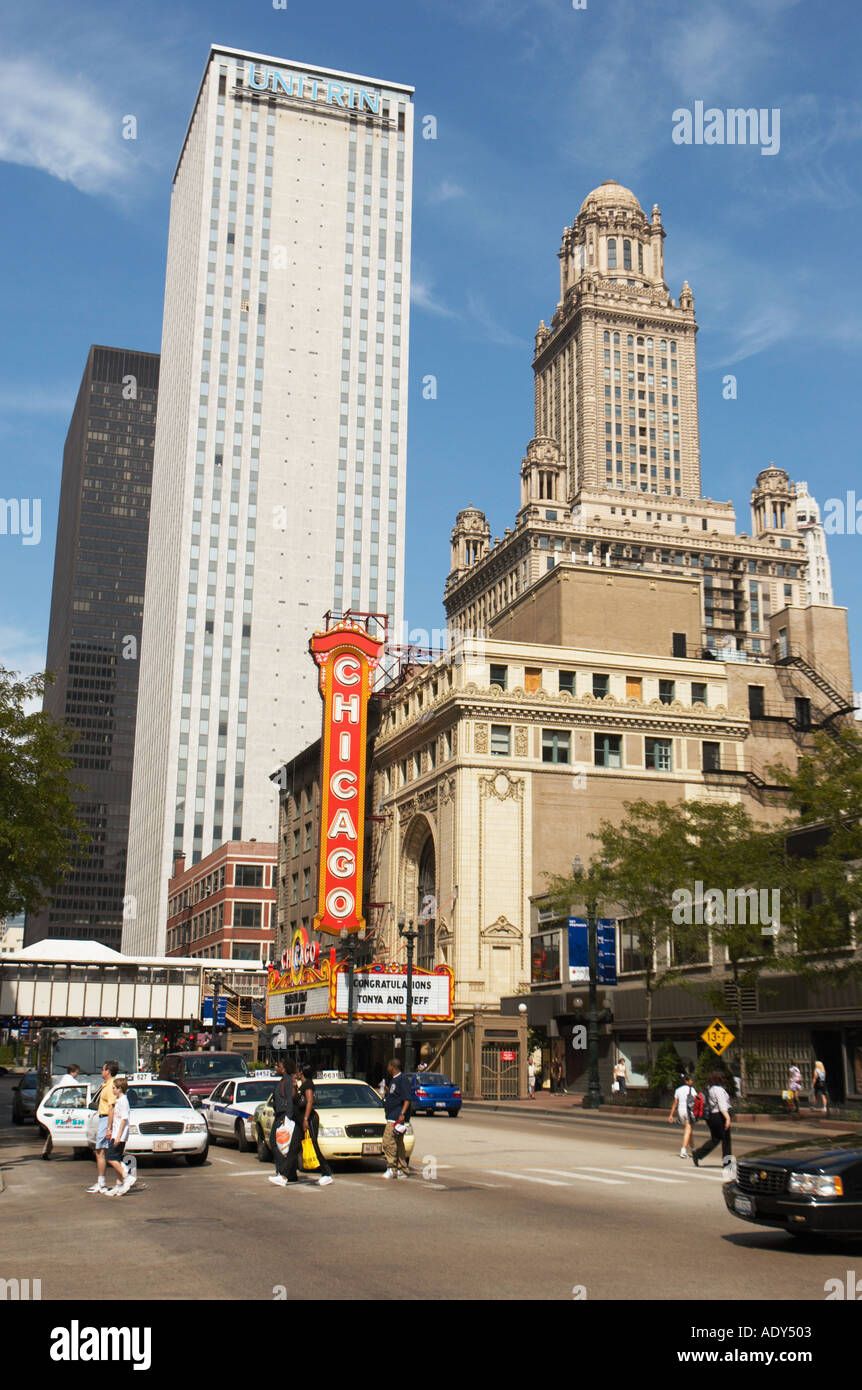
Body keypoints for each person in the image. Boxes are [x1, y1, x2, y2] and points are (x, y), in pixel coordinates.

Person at [297, 1066, 334, 1186]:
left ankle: (326, 1173)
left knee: (313, 1145)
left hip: (310, 1118)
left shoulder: (308, 1085)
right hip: (303, 1118)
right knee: (295, 1144)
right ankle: (285, 1173)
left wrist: (306, 1119)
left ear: (301, 1072)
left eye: (298, 1071)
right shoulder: (303, 1084)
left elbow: (309, 1101)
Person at [87, 1060, 119, 1194]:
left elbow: (112, 1108)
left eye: (103, 1069)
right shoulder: (106, 1085)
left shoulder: (111, 1085)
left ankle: (103, 1182)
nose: (101, 1072)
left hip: (106, 1119)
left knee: (101, 1151)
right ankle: (103, 1181)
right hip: (103, 1119)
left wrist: (109, 1128)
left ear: (108, 1072)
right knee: (100, 1151)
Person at [268, 1059, 302, 1188]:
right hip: (280, 1115)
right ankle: (290, 1173)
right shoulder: (283, 1081)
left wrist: (287, 1117)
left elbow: (289, 1099)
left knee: (274, 1142)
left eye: (279, 1066)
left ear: (284, 1068)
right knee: (285, 1146)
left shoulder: (287, 1081)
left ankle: (283, 1171)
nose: (277, 1068)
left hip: (283, 1116)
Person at [692, 1071, 732, 1167]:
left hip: (711, 1117)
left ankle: (698, 1154)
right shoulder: (719, 1090)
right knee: (726, 1140)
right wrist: (727, 1118)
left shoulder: (709, 1089)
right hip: (719, 1116)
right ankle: (727, 1163)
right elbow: (722, 1105)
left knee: (715, 1139)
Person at [104, 1078, 135, 1196]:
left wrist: (118, 1136)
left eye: (114, 1088)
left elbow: (124, 1119)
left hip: (119, 1135)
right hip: (116, 1133)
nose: (112, 1090)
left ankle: (126, 1176)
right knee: (116, 1158)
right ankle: (118, 1185)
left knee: (110, 1158)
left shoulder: (123, 1101)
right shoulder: (119, 1100)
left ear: (119, 1089)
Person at [382, 1057, 412, 1179]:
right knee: (398, 1143)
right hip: (391, 1115)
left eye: (388, 1066)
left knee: (387, 1141)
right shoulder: (393, 1080)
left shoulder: (402, 1079)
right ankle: (402, 1169)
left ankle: (391, 1167)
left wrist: (402, 1114)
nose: (387, 1068)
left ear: (392, 1066)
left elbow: (407, 1099)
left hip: (396, 1117)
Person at [668, 1072, 696, 1158]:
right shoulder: (692, 1090)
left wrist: (671, 1115)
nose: (692, 1082)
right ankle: (683, 1150)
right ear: (687, 1081)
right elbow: (696, 1100)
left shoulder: (678, 1090)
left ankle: (694, 1150)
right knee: (688, 1129)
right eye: (691, 1080)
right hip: (689, 1111)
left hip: (680, 1111)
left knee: (689, 1130)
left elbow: (675, 1103)